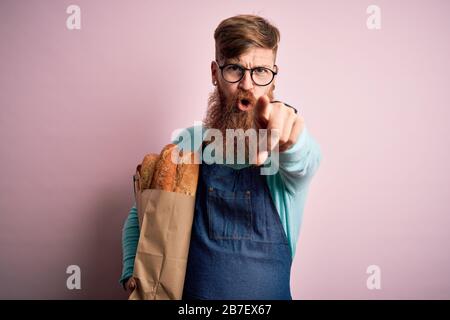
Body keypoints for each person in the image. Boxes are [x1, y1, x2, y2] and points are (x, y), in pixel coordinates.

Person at [120, 14, 322, 300]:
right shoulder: (189, 144)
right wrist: (131, 268)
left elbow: (307, 159)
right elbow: (142, 212)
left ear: (274, 76)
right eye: (234, 69)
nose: (247, 85)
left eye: (261, 71)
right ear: (215, 72)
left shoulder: (281, 152)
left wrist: (292, 141)